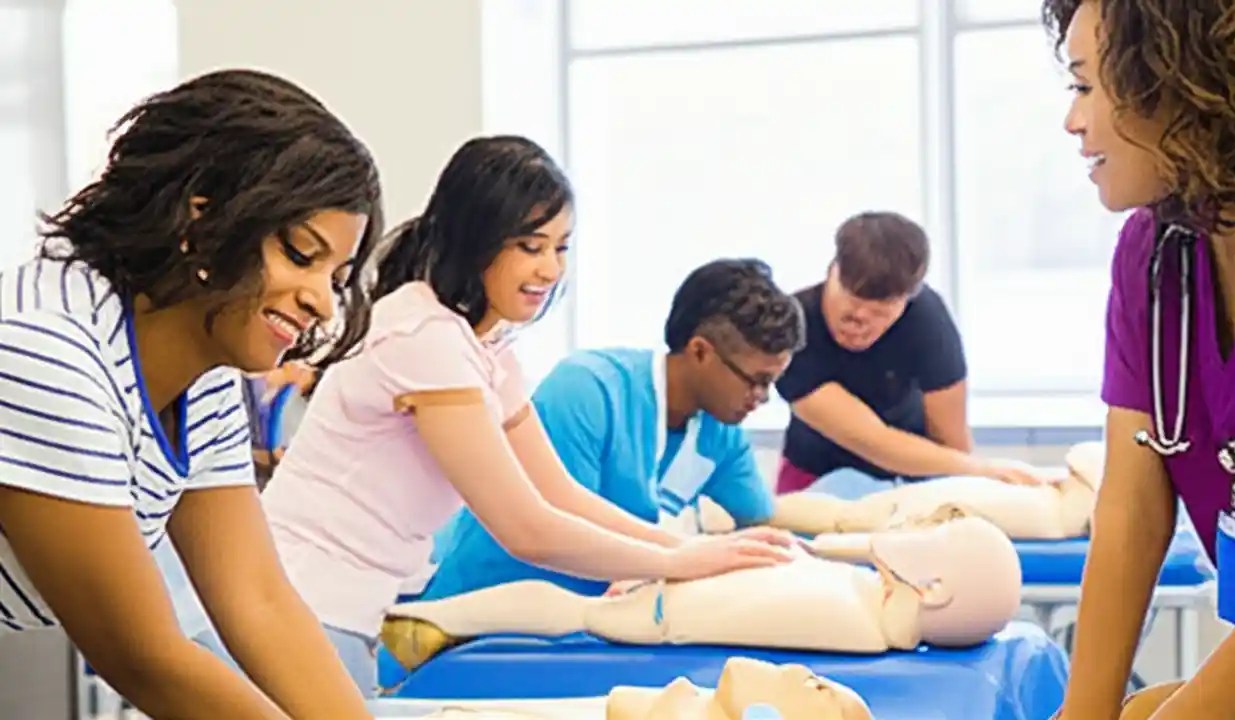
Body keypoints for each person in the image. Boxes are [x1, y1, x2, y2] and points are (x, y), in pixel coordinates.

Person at [259, 136, 794, 695]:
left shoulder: (486, 348)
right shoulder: (425, 337)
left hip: (345, 610)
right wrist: (685, 562)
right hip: (304, 599)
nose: (548, 269)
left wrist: (685, 551)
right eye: (529, 246)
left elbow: (559, 494)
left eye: (561, 248)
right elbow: (526, 529)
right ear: (477, 238)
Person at [0, 69, 384, 719]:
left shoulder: (202, 373)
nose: (322, 300)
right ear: (200, 220)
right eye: (300, 254)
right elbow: (145, 657)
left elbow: (257, 599)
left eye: (336, 275)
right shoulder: (48, 352)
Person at [1042, 1, 1235, 719]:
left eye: (1086, 86)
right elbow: (1132, 509)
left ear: (1185, 78)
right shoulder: (1155, 257)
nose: (1072, 123)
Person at [420, 257, 804, 600]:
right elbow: (555, 525)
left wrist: (841, 538)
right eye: (756, 381)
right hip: (490, 609)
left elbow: (762, 520)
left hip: (597, 625)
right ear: (701, 351)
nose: (762, 397)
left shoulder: (722, 434)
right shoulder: (587, 389)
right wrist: (681, 555)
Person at [774, 211, 1040, 495]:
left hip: (921, 468)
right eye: (851, 308)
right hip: (814, 471)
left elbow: (954, 445)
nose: (860, 324)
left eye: (879, 314)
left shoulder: (926, 319)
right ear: (833, 271)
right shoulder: (792, 326)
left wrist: (974, 479)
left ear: (905, 302)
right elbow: (874, 441)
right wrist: (980, 468)